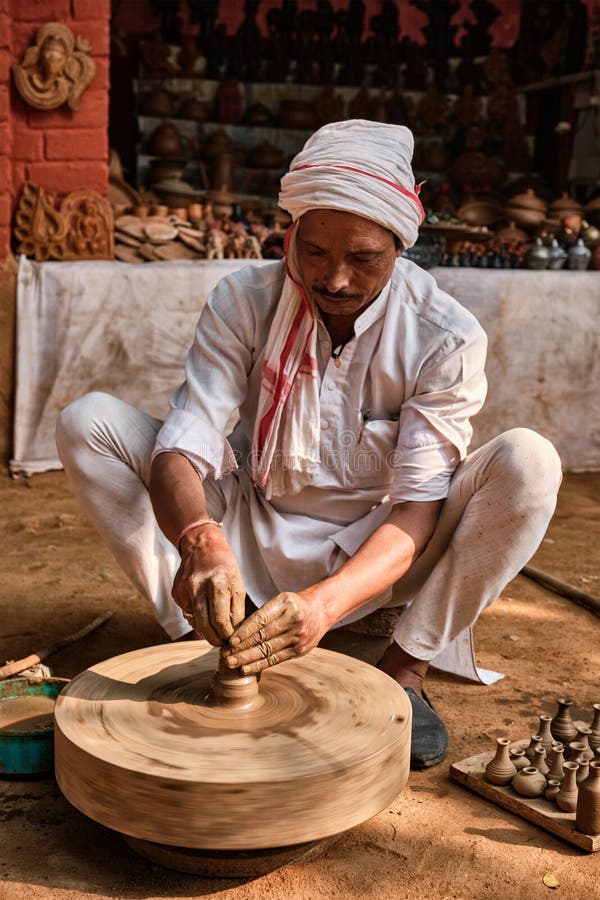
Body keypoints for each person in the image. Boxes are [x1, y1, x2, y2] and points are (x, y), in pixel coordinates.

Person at [56, 120, 561, 769]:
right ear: (291, 229)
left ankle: (407, 669)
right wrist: (199, 539)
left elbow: (416, 506)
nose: (337, 280)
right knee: (88, 420)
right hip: (252, 521)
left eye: (364, 259)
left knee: (530, 462)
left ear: (401, 247)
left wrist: (323, 606)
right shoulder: (246, 299)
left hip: (385, 547)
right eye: (315, 251)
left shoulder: (444, 336)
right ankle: (198, 637)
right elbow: (187, 440)